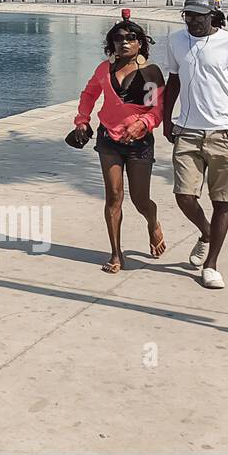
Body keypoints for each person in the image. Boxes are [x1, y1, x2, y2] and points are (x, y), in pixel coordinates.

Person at [162, 0, 228, 290]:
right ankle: (206, 233)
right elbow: (173, 81)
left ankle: (211, 264)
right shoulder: (176, 41)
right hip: (188, 131)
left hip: (225, 132)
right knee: (184, 196)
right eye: (188, 16)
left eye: (198, 16)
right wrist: (167, 120)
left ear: (212, 15)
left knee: (222, 201)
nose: (192, 21)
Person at [71, 18, 166, 274]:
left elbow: (156, 109)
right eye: (119, 39)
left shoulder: (150, 73)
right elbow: (89, 94)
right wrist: (82, 119)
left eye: (131, 38)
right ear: (111, 44)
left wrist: (143, 123)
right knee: (114, 196)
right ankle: (116, 253)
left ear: (140, 43)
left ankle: (153, 222)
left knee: (140, 199)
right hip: (108, 140)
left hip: (139, 142)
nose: (124, 42)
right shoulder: (104, 70)